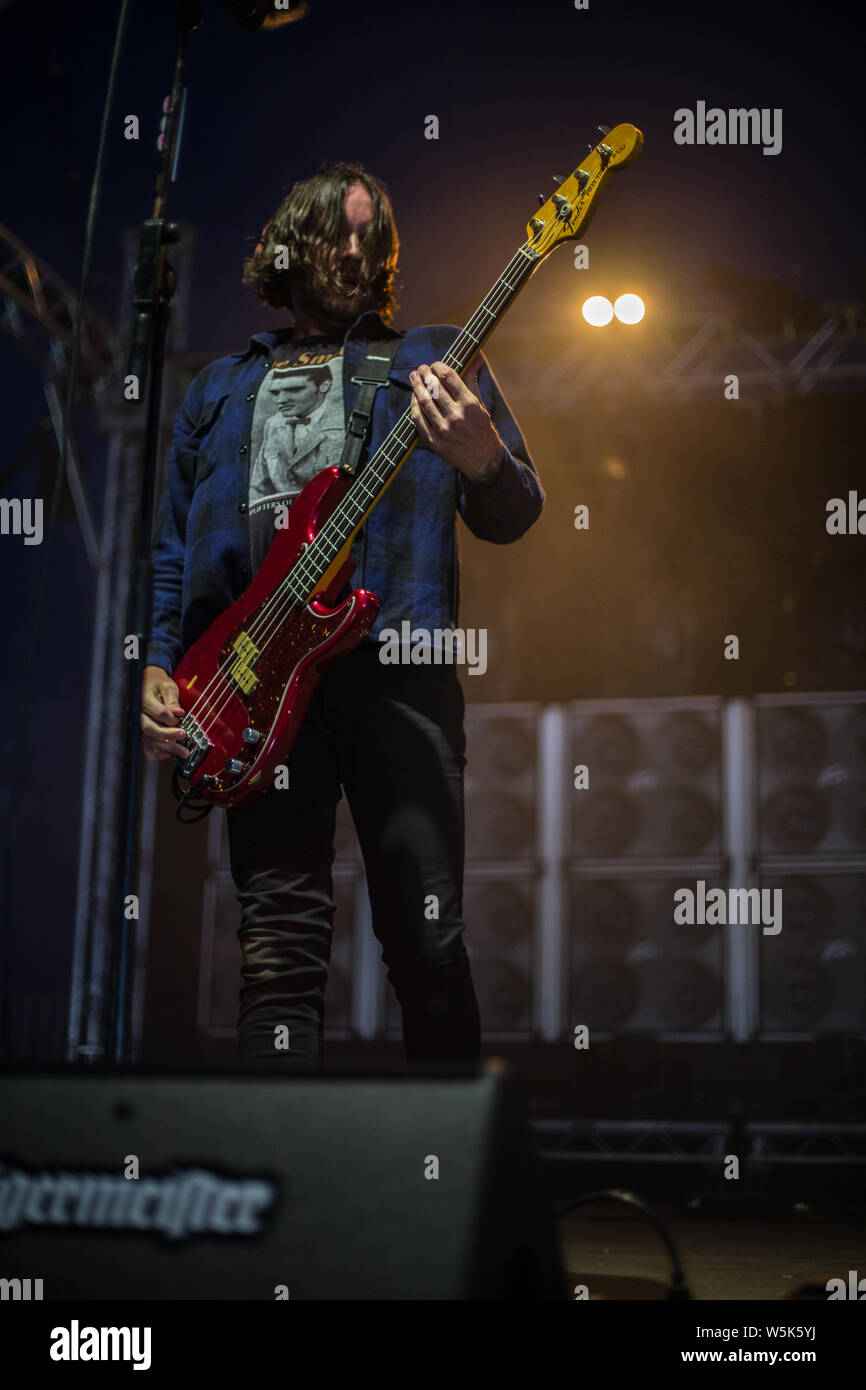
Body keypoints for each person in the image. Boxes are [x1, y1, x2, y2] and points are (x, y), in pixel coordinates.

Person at [140, 161, 544, 1066]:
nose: (358, 250)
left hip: (394, 669)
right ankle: (277, 1191)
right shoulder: (215, 390)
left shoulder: (430, 358)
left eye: (375, 236)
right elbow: (170, 552)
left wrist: (483, 459)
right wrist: (159, 663)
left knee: (427, 940)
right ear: (290, 246)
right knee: (276, 954)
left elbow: (514, 513)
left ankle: (451, 1182)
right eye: (339, 232)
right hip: (249, 682)